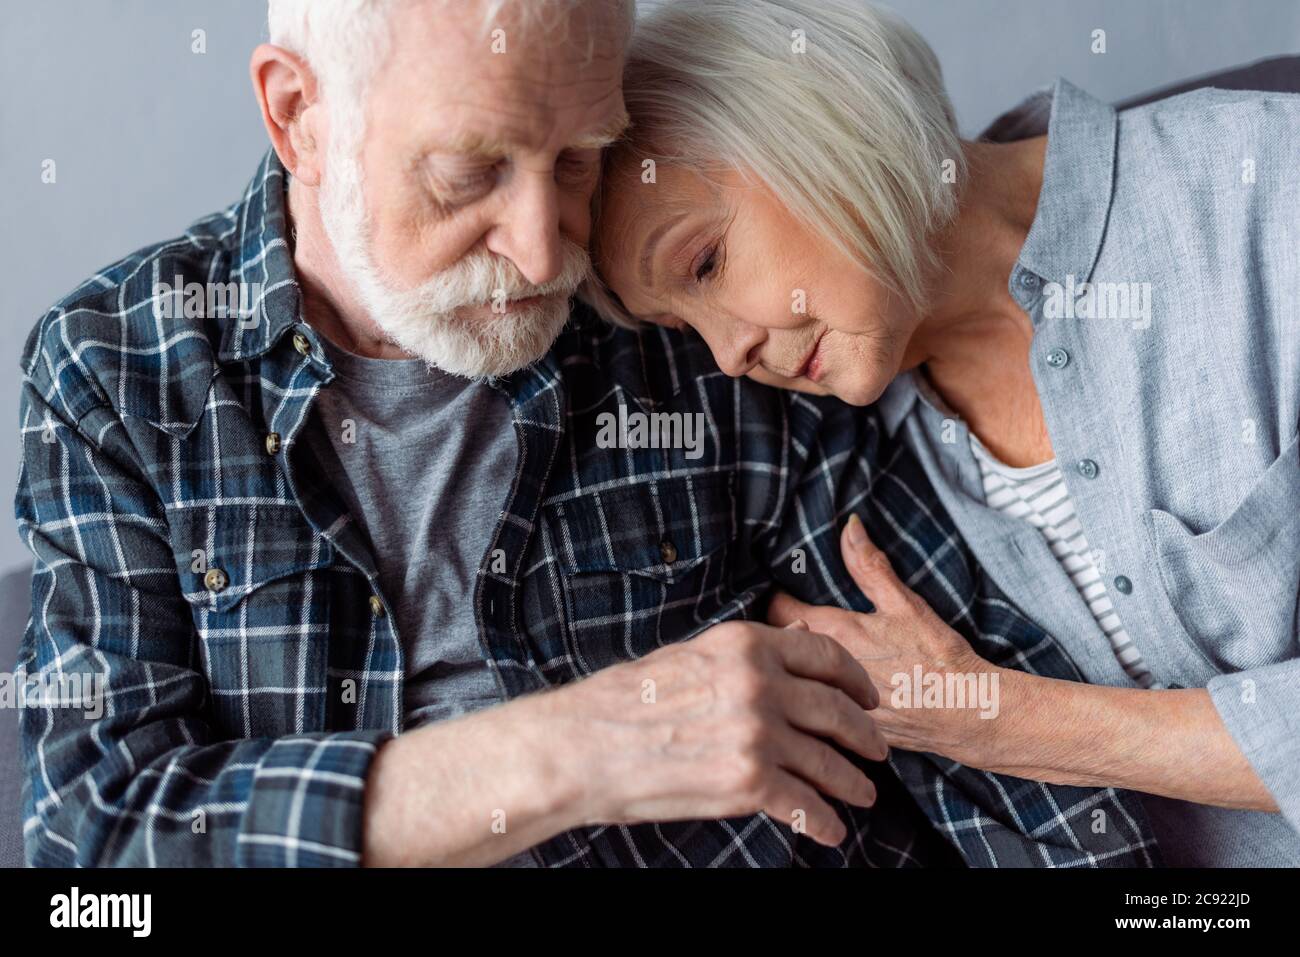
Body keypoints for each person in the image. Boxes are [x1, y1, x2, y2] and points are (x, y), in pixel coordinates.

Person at [14, 0, 1155, 868]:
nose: (542, 248)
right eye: (470, 171)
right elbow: (92, 851)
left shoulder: (680, 325)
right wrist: (581, 748)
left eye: (578, 159)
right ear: (297, 115)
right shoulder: (121, 369)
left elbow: (991, 747)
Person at [589, 0, 1300, 866]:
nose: (729, 354)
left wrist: (1001, 720)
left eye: (704, 263)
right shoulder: (866, 473)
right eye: (680, 327)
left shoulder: (1265, 190)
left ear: (819, 117)